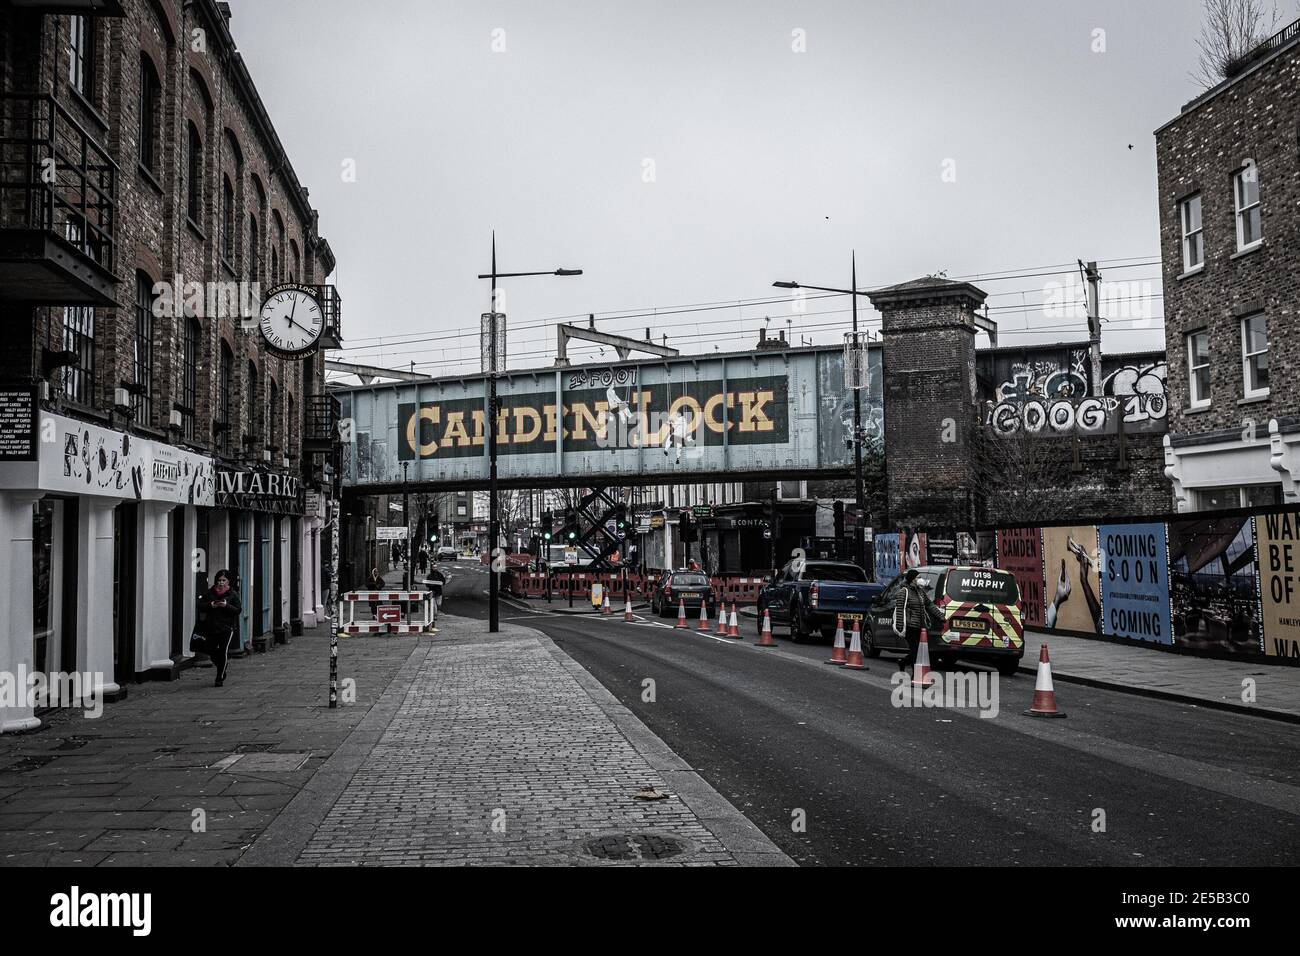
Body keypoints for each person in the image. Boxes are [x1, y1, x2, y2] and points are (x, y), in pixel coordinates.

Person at [892, 568, 944, 672]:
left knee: (917, 651)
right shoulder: (904, 591)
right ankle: (915, 674)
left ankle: (903, 662)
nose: (920, 579)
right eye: (918, 577)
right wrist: (900, 626)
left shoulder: (920, 592)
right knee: (915, 650)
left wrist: (940, 616)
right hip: (909, 626)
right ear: (912, 579)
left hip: (920, 626)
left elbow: (929, 604)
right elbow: (899, 609)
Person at [197, 570, 241, 687]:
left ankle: (219, 677)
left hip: (226, 627)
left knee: (223, 651)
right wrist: (211, 605)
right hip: (211, 627)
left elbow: (238, 610)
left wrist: (226, 606)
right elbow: (200, 605)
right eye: (219, 580)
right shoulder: (210, 593)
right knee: (209, 650)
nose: (221, 583)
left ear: (228, 582)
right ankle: (222, 665)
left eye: (223, 580)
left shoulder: (233, 594)